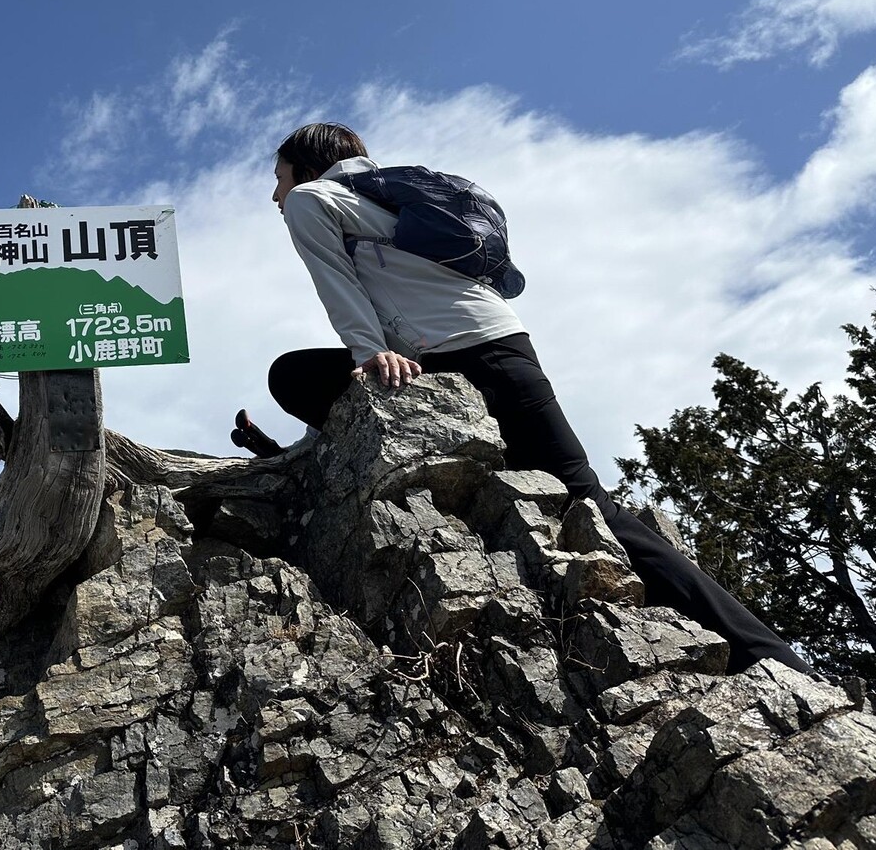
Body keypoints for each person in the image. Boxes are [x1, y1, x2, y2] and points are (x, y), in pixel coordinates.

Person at [232, 121, 812, 676]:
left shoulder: (314, 199)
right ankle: (769, 655)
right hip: (504, 346)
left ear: (305, 167)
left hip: (445, 357)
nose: (275, 193)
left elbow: (336, 280)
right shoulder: (394, 195)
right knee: (593, 504)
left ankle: (755, 650)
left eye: (278, 175)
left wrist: (366, 353)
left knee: (291, 375)